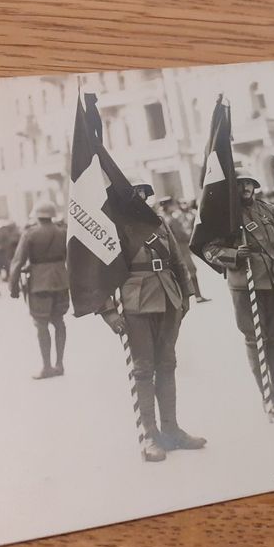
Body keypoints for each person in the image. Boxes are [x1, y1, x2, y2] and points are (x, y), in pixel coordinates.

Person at [99, 179, 205, 462]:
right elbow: (99, 272)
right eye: (136, 195)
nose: (142, 200)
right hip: (135, 301)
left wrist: (187, 293)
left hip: (168, 296)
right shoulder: (116, 229)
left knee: (167, 364)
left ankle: (172, 430)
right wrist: (109, 312)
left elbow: (178, 261)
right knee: (144, 369)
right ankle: (150, 435)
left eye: (145, 195)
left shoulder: (159, 223)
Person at [202, 171, 274, 417]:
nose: (246, 188)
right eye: (241, 184)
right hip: (245, 285)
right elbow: (209, 249)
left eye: (249, 183)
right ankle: (268, 397)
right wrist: (233, 255)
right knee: (255, 339)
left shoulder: (268, 209)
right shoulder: (225, 216)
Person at [9, 201, 69, 380]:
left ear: (36, 215)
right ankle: (60, 364)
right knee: (59, 321)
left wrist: (13, 286)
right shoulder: (62, 232)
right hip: (60, 280)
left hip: (40, 283)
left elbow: (18, 261)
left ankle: (47, 367)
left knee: (41, 324)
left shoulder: (30, 234)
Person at [160, 197, 210, 303]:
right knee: (191, 270)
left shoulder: (162, 219)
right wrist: (191, 238)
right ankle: (198, 296)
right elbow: (181, 234)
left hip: (168, 251)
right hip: (181, 248)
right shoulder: (172, 219)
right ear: (169, 206)